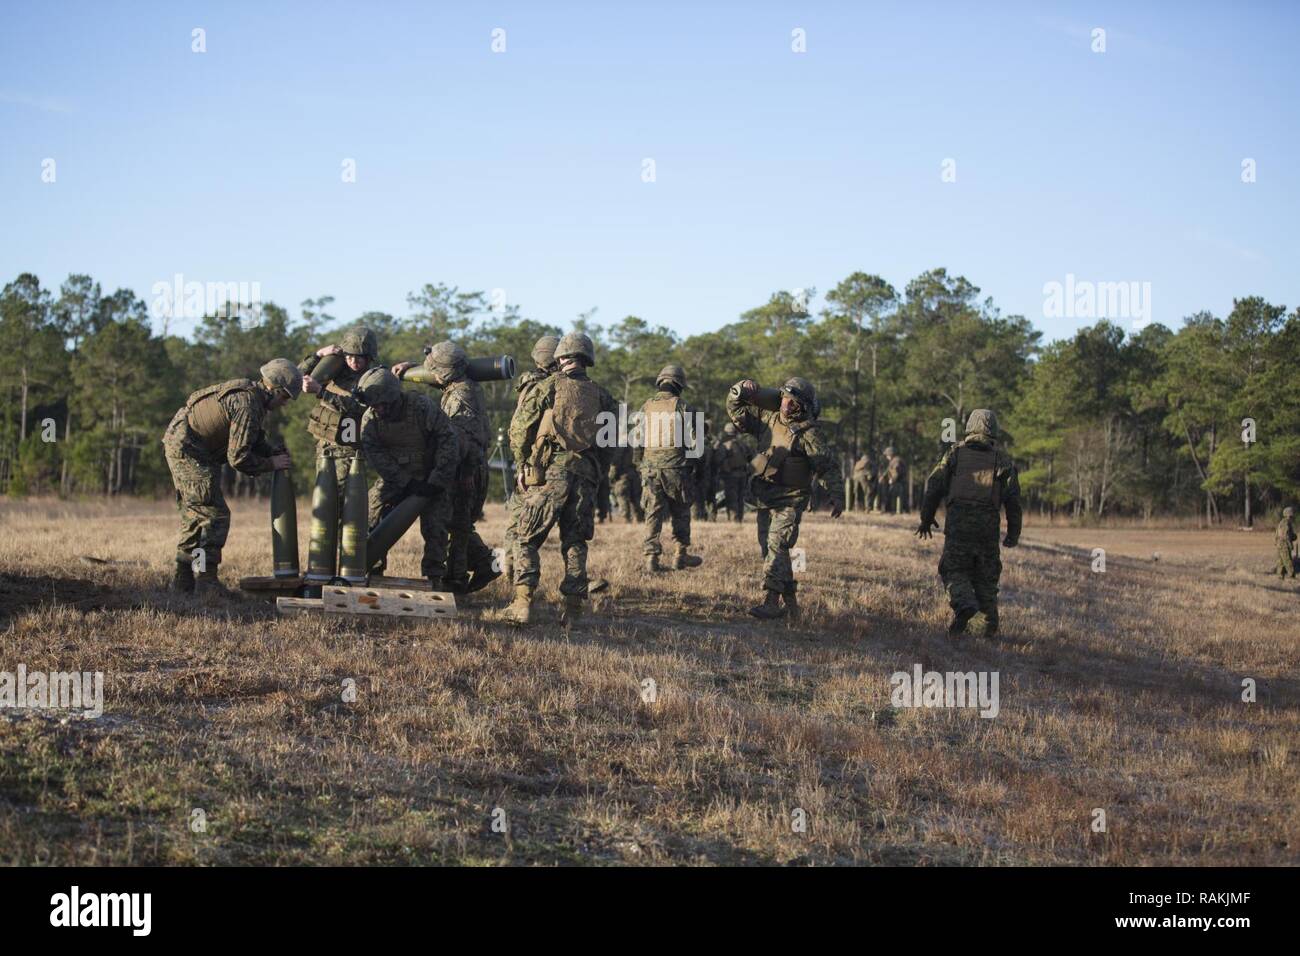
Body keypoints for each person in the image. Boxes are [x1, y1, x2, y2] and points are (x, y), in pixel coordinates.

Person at [505, 332, 617, 625]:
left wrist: (523, 464)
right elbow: (612, 444)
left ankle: (522, 603)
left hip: (550, 473)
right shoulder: (604, 396)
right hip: (586, 476)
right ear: (586, 358)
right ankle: (573, 610)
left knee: (526, 537)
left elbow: (519, 428)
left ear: (561, 358)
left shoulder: (549, 386)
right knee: (575, 541)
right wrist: (597, 473)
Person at [163, 359, 301, 594]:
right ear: (274, 389)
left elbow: (252, 438)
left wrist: (271, 451)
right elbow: (238, 457)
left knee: (197, 516)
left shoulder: (251, 396)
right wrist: (271, 464)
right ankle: (206, 581)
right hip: (189, 451)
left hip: (186, 446)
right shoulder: (248, 403)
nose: (284, 404)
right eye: (285, 397)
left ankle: (183, 580)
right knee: (215, 516)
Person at [727, 376, 843, 620]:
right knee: (770, 551)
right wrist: (739, 389)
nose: (787, 405)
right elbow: (735, 411)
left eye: (794, 402)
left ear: (802, 407)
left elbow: (827, 467)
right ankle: (791, 604)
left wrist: (836, 494)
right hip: (764, 497)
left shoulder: (809, 434)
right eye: (785, 399)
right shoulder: (767, 420)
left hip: (791, 499)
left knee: (778, 546)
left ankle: (771, 602)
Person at [394, 341, 500, 596]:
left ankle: (457, 580)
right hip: (464, 466)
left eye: (436, 369)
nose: (434, 373)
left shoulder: (462, 396)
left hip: (466, 468)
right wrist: (412, 369)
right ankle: (484, 565)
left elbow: (470, 440)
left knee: (455, 526)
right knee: (458, 524)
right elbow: (442, 381)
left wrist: (464, 475)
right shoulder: (463, 386)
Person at [915, 408, 1021, 638]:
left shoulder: (954, 454)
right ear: (994, 430)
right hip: (987, 531)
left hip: (958, 526)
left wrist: (926, 517)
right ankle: (985, 627)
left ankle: (963, 604)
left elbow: (934, 486)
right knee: (986, 577)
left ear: (970, 428)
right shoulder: (1002, 461)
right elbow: (1013, 501)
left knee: (953, 569)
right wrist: (1013, 533)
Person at [357, 367, 460, 590]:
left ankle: (435, 578)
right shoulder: (370, 419)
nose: (380, 410)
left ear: (394, 398)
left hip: (431, 477)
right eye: (375, 406)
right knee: (369, 513)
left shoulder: (422, 407)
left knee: (436, 526)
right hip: (395, 479)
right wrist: (406, 481)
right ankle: (371, 569)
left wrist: (437, 478)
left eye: (383, 405)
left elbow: (448, 440)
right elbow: (375, 455)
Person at [299, 325, 378, 515]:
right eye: (349, 356)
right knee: (324, 501)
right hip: (325, 445)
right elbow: (296, 375)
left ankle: (344, 545)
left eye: (359, 357)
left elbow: (358, 407)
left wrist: (321, 392)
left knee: (344, 504)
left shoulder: (374, 378)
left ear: (369, 357)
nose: (353, 361)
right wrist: (319, 354)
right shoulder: (334, 368)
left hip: (350, 451)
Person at [501, 334, 560, 581]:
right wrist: (523, 464)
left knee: (519, 521)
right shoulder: (541, 386)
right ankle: (510, 574)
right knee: (521, 524)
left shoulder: (533, 384)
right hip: (538, 463)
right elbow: (520, 429)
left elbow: (518, 430)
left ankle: (509, 571)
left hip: (536, 461)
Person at [639, 365, 704, 572]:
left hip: (650, 470)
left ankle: (651, 559)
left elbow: (637, 440)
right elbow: (697, 445)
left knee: (653, 514)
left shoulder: (646, 406)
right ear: (679, 385)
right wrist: (696, 468)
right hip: (677, 468)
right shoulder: (684, 407)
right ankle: (680, 555)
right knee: (681, 512)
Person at [715, 422, 750, 522]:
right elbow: (751, 458)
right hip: (742, 475)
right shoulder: (743, 444)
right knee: (740, 498)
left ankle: (734, 521)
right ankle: (739, 519)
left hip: (730, 475)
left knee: (732, 498)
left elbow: (718, 459)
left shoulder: (725, 445)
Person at [1276, 506, 1297, 579]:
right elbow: (1285, 535)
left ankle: (1280, 575)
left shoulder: (1282, 522)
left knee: (1281, 561)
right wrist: (1290, 544)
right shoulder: (1286, 523)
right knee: (1288, 560)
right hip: (1284, 544)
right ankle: (1292, 575)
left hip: (1280, 544)